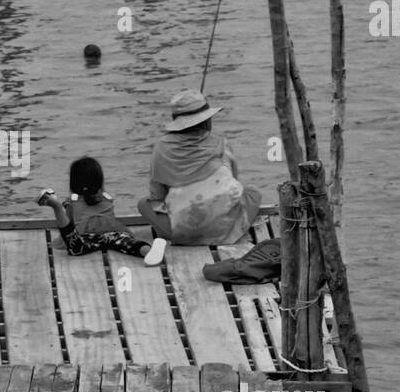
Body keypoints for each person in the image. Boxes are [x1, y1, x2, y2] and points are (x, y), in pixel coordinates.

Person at [138, 90, 262, 246]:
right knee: (253, 192)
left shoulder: (161, 148)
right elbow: (234, 185)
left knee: (143, 204)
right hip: (224, 229)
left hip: (182, 233)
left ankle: (184, 233)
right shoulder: (222, 144)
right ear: (206, 121)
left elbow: (157, 197)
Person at [38, 157, 166, 265]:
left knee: (76, 247)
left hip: (86, 237)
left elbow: (69, 226)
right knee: (128, 243)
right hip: (111, 233)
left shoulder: (72, 201)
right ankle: (148, 251)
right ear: (99, 182)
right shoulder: (107, 198)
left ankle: (55, 206)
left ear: (73, 183)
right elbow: (110, 217)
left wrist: (61, 242)